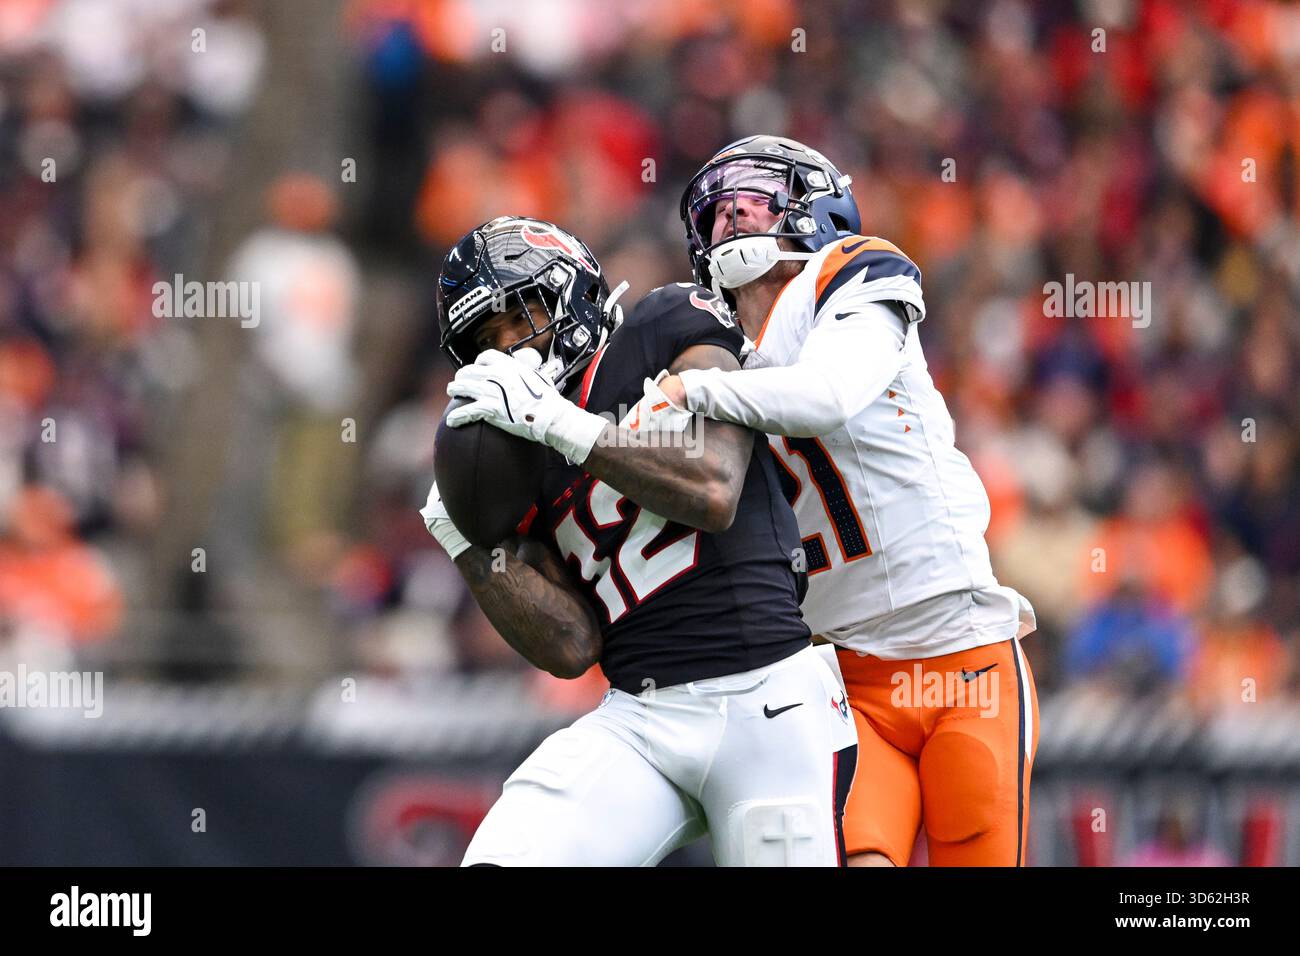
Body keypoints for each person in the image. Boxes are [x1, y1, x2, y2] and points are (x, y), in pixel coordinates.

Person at [652, 135, 1040, 866]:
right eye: (717, 213)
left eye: (755, 200)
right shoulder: (709, 347)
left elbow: (826, 395)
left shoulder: (852, 274)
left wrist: (691, 393)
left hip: (964, 656)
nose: (734, 219)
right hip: (847, 674)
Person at [424, 216, 856, 866]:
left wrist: (563, 426)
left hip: (768, 701)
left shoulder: (665, 323)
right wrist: (470, 547)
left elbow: (713, 489)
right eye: (487, 340)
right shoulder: (512, 452)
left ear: (570, 290)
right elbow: (570, 647)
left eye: (520, 315)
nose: (511, 348)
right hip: (640, 718)